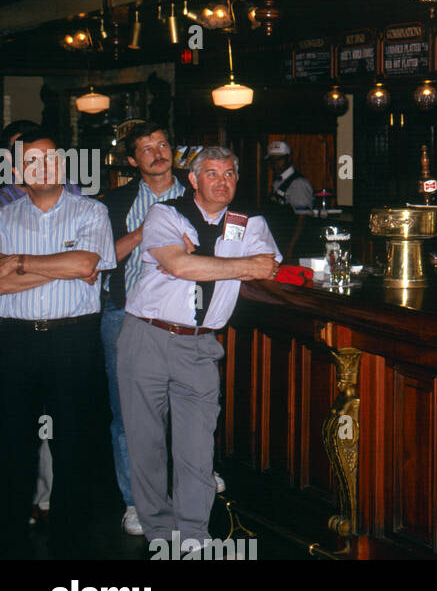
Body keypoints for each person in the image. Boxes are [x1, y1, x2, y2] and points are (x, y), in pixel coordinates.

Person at [117, 144, 279, 548]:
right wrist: (239, 265)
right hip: (147, 336)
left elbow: (269, 267)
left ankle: (193, 533)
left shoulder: (249, 221)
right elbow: (179, 265)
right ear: (193, 179)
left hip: (201, 345)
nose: (222, 182)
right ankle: (158, 530)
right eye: (212, 173)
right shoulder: (165, 213)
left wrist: (206, 260)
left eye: (229, 174)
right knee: (145, 441)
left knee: (197, 446)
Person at [0, 130, 116, 558]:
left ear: (63, 165)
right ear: (16, 171)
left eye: (50, 159)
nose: (43, 166)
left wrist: (21, 264)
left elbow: (87, 263)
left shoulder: (92, 212)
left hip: (74, 340)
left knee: (75, 446)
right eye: (32, 161)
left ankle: (71, 543)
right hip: (13, 342)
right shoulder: (4, 218)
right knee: (12, 445)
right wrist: (62, 267)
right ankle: (10, 538)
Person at [102, 121, 187, 537]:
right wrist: (147, 230)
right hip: (124, 315)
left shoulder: (196, 196)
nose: (158, 152)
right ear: (133, 161)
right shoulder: (115, 203)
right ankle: (136, 501)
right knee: (127, 416)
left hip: (183, 318)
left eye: (163, 144)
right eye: (147, 148)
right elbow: (103, 260)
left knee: (185, 409)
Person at [267, 139, 315, 214]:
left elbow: (303, 218)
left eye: (279, 159)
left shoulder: (299, 184)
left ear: (289, 159)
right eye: (272, 160)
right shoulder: (278, 181)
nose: (275, 163)